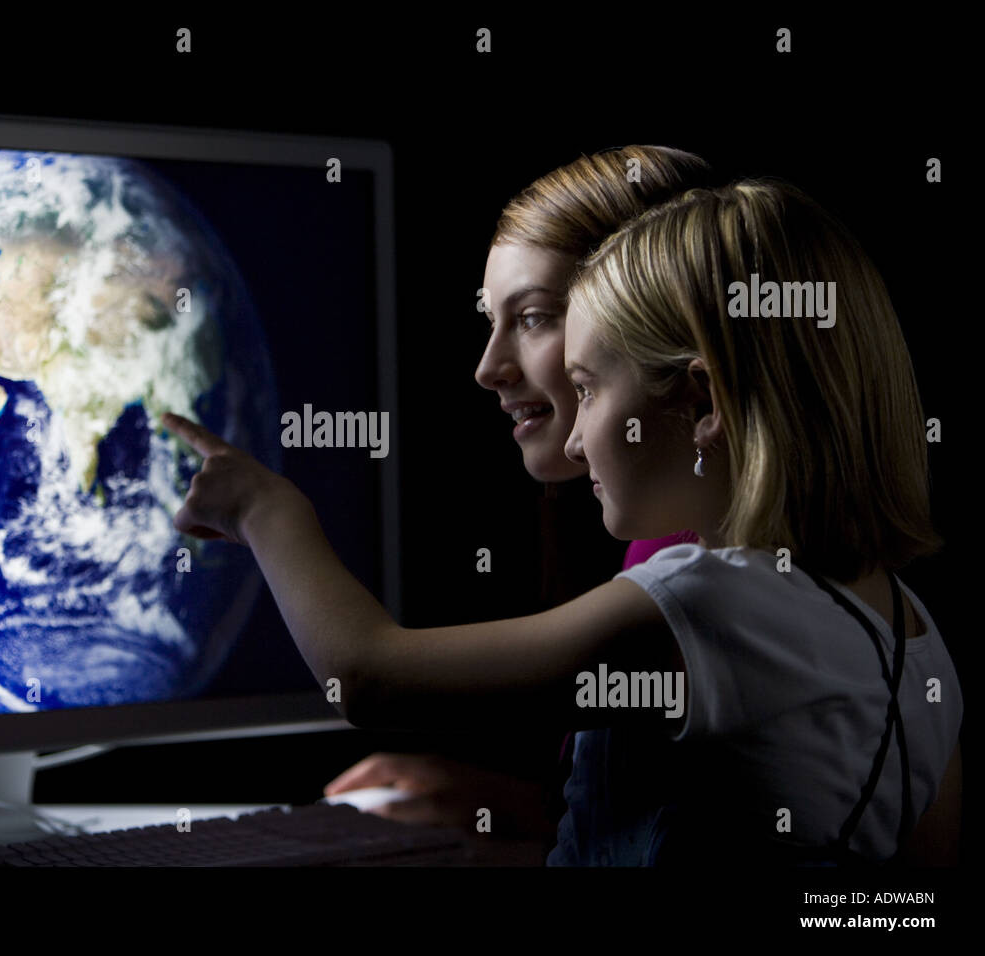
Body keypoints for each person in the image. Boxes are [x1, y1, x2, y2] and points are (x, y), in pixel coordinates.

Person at [160, 178, 962, 865]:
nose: (577, 436)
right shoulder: (914, 630)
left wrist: (267, 509)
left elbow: (367, 675)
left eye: (590, 388)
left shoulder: (695, 606)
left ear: (703, 401)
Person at [324, 147, 711, 844]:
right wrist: (518, 812)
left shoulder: (696, 581)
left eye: (534, 317)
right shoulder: (662, 536)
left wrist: (265, 508)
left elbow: (367, 676)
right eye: (492, 320)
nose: (486, 368)